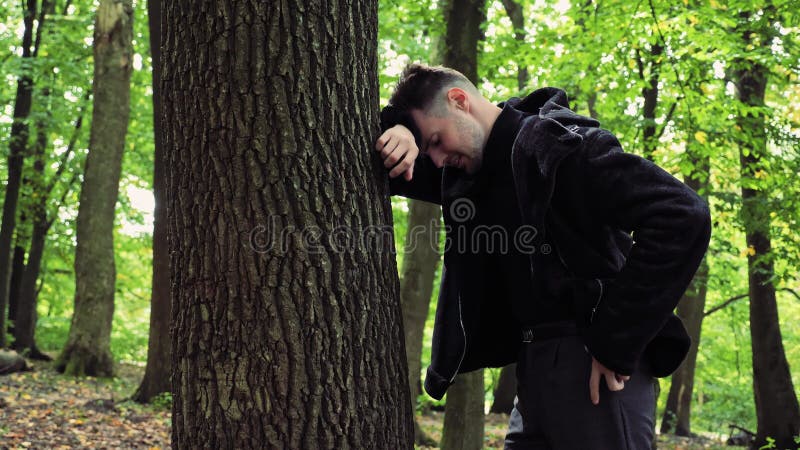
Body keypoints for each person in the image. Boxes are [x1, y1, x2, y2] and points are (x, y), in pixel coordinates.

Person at [375, 64, 711, 450]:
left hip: (593, 365)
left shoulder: (560, 148)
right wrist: (401, 127)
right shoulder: (468, 172)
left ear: (459, 101)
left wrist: (614, 342)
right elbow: (392, 167)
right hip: (533, 369)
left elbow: (683, 214)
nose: (433, 158)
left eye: (435, 140)